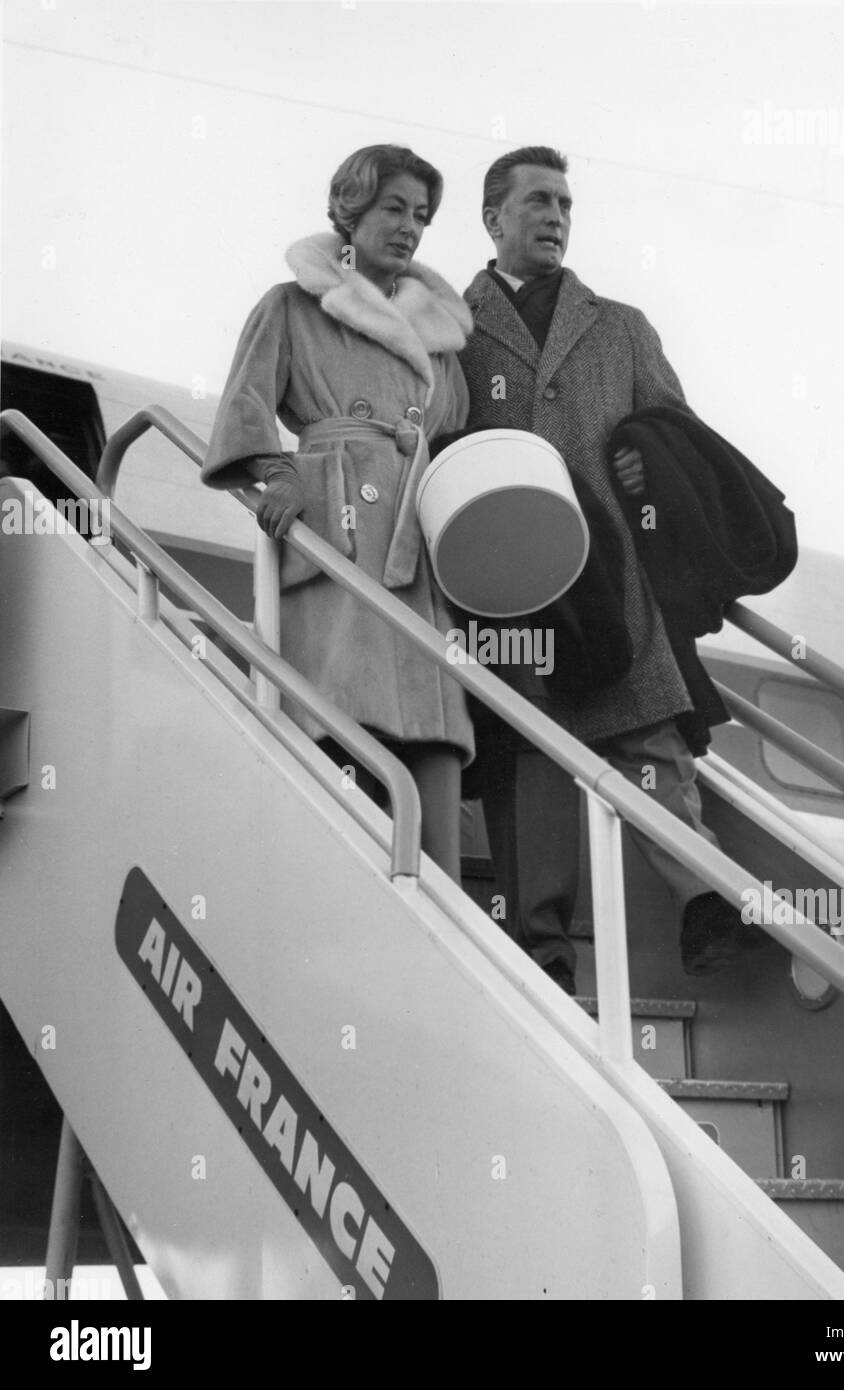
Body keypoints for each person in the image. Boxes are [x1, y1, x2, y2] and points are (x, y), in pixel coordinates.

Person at [460, 145, 768, 990]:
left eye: (565, 203)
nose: (556, 216)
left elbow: (680, 435)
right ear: (493, 218)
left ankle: (709, 906)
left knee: (647, 737)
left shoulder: (622, 326)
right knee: (525, 753)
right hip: (506, 582)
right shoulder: (449, 327)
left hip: (614, 578)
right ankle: (542, 950)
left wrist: (644, 460)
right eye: (538, 202)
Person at [201, 144, 474, 880]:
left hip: (415, 532)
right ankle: (336, 872)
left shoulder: (441, 341)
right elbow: (247, 407)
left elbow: (452, 434)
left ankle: (437, 889)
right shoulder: (291, 303)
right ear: (350, 208)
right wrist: (280, 471)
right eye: (394, 208)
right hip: (336, 518)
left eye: (421, 215)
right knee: (340, 698)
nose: (410, 227)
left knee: (428, 717)